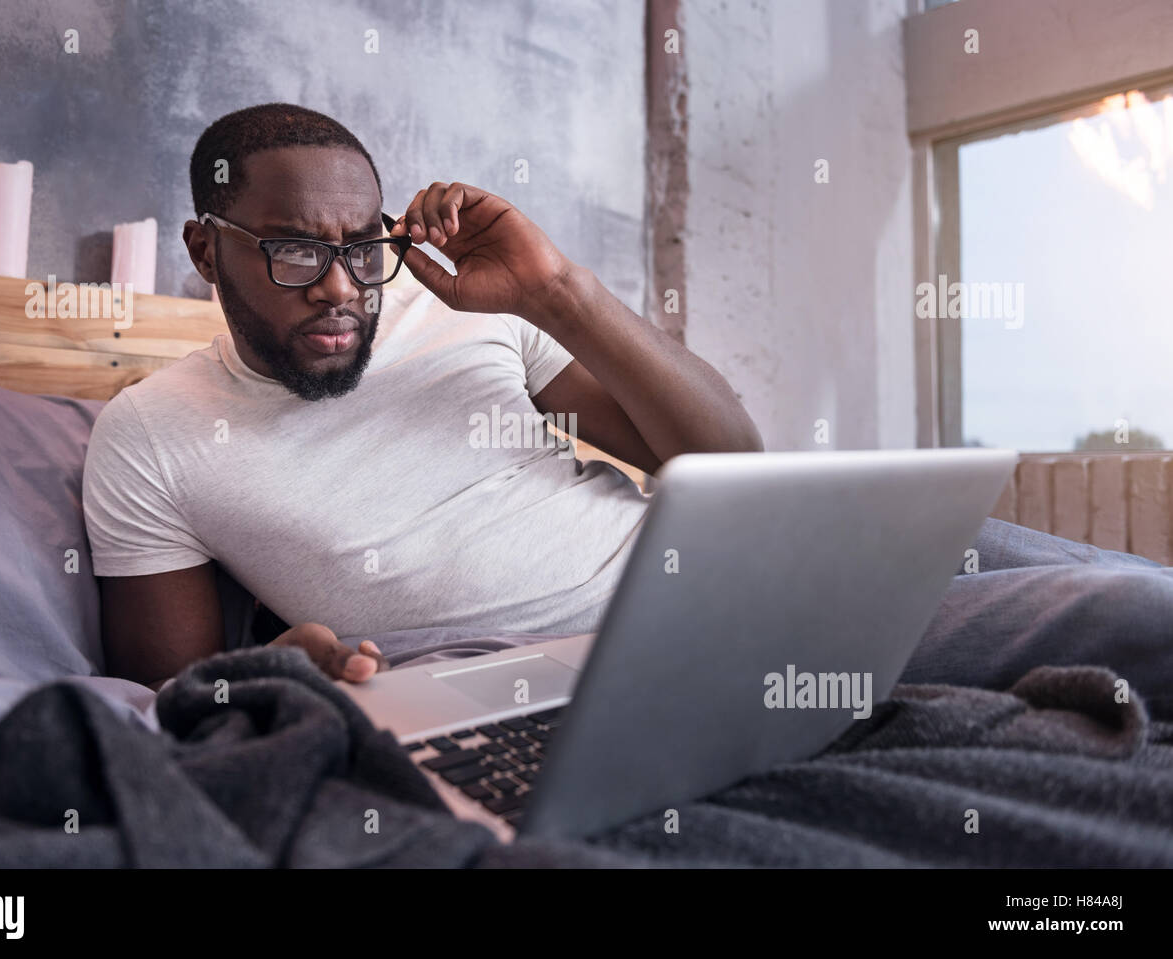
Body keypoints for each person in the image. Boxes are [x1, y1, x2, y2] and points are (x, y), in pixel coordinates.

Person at [83, 104, 1173, 712]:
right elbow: (165, 689)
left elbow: (730, 458)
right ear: (202, 249)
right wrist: (280, 671)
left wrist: (559, 290)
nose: (337, 285)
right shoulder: (152, 435)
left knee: (1131, 586)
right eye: (291, 251)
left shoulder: (465, 315)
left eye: (362, 247)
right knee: (1136, 622)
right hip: (604, 665)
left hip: (762, 560)